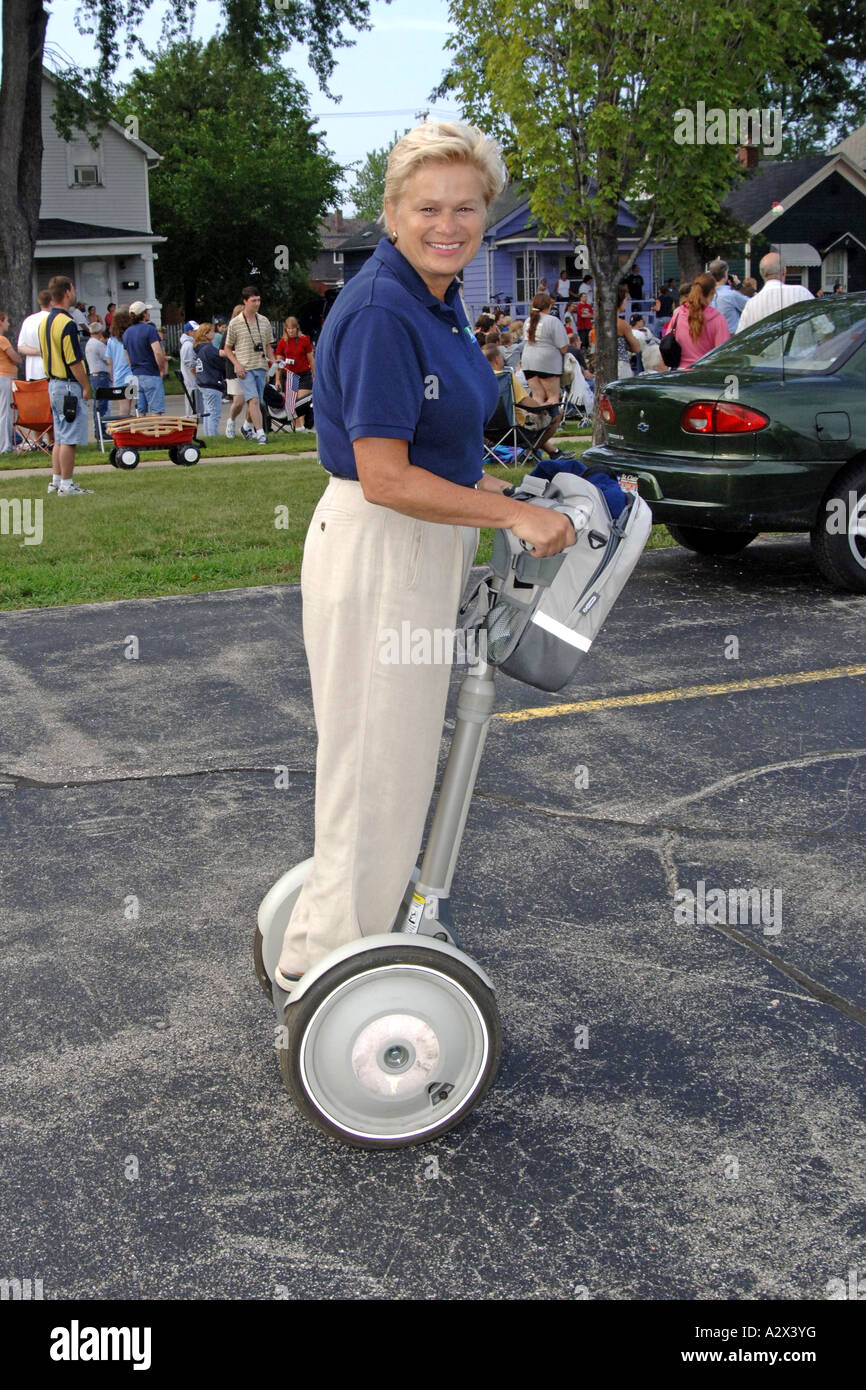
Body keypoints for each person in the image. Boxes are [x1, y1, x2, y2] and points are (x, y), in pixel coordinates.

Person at [274, 121, 575, 987]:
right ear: (392, 212)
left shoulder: (435, 301)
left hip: (419, 545)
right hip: (384, 544)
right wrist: (509, 514)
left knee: (388, 770)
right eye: (429, 207)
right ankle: (330, 982)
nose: (450, 224)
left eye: (468, 207)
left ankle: (327, 944)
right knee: (375, 778)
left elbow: (453, 430)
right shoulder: (380, 309)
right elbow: (385, 475)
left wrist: (520, 430)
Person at [38, 275, 92, 495]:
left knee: (60, 436)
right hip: (68, 385)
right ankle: (67, 485)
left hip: (53, 383)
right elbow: (74, 360)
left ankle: (56, 480)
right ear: (68, 292)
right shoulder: (67, 323)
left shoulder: (45, 322)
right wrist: (86, 386)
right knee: (69, 438)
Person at [222, 286, 274, 444]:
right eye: (253, 301)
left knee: (257, 401)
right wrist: (237, 364)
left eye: (258, 300)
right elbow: (227, 347)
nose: (257, 303)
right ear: (245, 301)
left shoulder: (264, 321)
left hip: (260, 365)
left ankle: (247, 426)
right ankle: (260, 433)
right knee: (253, 400)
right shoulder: (235, 323)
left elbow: (267, 345)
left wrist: (272, 363)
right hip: (244, 368)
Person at [735, 253, 813, 333]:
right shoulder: (801, 293)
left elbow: (740, 338)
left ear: (762, 274)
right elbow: (823, 328)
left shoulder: (750, 305)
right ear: (784, 271)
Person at [666, 272, 730, 368]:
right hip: (706, 374)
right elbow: (722, 355)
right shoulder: (718, 318)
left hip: (679, 373)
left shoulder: (678, 314)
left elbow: (667, 340)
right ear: (712, 292)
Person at [521, 291, 569, 408]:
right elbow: (563, 346)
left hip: (528, 361)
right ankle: (551, 424)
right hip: (547, 362)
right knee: (552, 397)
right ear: (549, 305)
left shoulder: (528, 321)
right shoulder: (553, 321)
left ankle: (537, 423)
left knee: (537, 395)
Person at [122, 301, 168, 413]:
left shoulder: (127, 333)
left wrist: (133, 367)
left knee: (141, 411)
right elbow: (157, 351)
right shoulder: (150, 330)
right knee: (156, 410)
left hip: (136, 374)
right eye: (147, 311)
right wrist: (161, 368)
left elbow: (126, 355)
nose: (148, 313)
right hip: (150, 373)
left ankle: (142, 430)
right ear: (143, 314)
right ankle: (155, 430)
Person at [220, 304, 248, 438]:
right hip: (234, 368)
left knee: (254, 401)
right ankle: (231, 421)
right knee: (239, 400)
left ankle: (248, 427)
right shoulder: (230, 330)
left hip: (250, 367)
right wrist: (236, 353)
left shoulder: (251, 328)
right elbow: (221, 351)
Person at [192, 323, 225, 436]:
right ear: (206, 334)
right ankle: (212, 435)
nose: (214, 334)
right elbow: (220, 362)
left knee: (208, 411)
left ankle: (208, 434)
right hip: (211, 382)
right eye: (212, 331)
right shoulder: (209, 349)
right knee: (214, 412)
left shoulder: (199, 349)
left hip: (203, 382)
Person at [17, 288, 52, 380]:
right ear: (52, 302)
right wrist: (44, 352)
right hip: (51, 370)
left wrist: (37, 351)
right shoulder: (53, 319)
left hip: (31, 372)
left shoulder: (29, 320)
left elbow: (20, 348)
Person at [84, 321, 112, 435]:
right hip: (101, 375)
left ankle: (98, 429)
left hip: (93, 375)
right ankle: (101, 429)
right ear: (99, 332)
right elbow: (108, 359)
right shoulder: (99, 344)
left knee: (97, 403)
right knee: (102, 404)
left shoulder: (89, 343)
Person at [275, 315, 314, 394]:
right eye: (289, 328)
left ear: (297, 328)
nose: (291, 331)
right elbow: (279, 362)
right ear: (286, 329)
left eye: (293, 328)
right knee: (292, 403)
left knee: (302, 400)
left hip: (304, 375)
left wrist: (314, 375)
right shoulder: (282, 342)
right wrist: (277, 380)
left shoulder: (304, 339)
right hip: (291, 375)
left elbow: (311, 360)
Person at [106, 308, 134, 417]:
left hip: (119, 376)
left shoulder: (111, 341)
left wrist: (112, 377)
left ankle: (123, 429)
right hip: (131, 375)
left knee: (123, 407)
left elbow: (109, 362)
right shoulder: (130, 337)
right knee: (129, 405)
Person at [708, 259, 749, 332]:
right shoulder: (732, 295)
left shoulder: (706, 296)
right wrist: (739, 286)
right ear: (725, 273)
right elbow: (750, 304)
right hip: (730, 336)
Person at [0, 311, 20, 451]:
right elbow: (14, 357)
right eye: (6, 320)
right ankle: (6, 445)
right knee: (6, 412)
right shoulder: (2, 339)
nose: (8, 323)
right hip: (5, 375)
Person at [616, 283, 645, 375]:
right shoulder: (622, 324)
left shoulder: (600, 323)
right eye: (625, 299)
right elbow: (636, 348)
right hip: (621, 364)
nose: (626, 302)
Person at [179, 319, 200, 412]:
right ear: (190, 332)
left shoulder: (190, 344)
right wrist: (198, 378)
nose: (198, 333)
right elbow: (190, 365)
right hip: (192, 382)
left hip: (192, 382)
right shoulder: (188, 345)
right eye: (196, 331)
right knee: (192, 408)